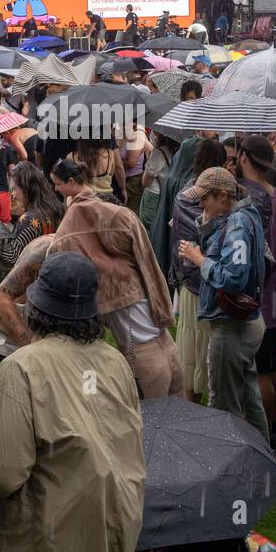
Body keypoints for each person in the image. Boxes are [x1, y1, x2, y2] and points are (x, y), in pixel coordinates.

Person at [0, 252, 146, 552]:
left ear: (37, 306)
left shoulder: (21, 368)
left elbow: (1, 472)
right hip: (118, 528)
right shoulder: (117, 361)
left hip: (52, 539)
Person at [48, 171, 182, 399]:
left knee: (148, 427)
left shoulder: (74, 240)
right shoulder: (135, 270)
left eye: (58, 183)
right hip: (168, 348)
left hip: (144, 360)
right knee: (176, 420)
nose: (56, 189)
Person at [176, 167, 269, 441]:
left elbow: (234, 278)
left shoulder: (238, 223)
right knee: (250, 401)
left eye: (205, 199)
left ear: (224, 196)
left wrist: (198, 259)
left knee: (223, 407)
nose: (200, 204)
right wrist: (206, 225)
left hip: (232, 327)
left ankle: (228, 471)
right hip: (245, 323)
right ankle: (263, 459)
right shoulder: (242, 214)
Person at [240, 136, 276, 451]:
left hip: (264, 292)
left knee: (261, 371)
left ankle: (266, 434)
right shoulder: (274, 193)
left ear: (245, 157)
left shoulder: (249, 196)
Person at [167, 138, 228, 402]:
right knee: (197, 352)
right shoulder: (199, 199)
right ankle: (192, 407)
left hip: (192, 280)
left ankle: (192, 405)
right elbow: (205, 240)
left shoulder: (186, 193)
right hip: (199, 281)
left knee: (194, 352)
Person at [0, 160, 63, 280]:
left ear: (26, 188)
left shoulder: (28, 219)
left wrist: (0, 235)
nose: (13, 195)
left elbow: (12, 258)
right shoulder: (55, 208)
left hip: (32, 282)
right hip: (53, 273)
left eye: (14, 189)